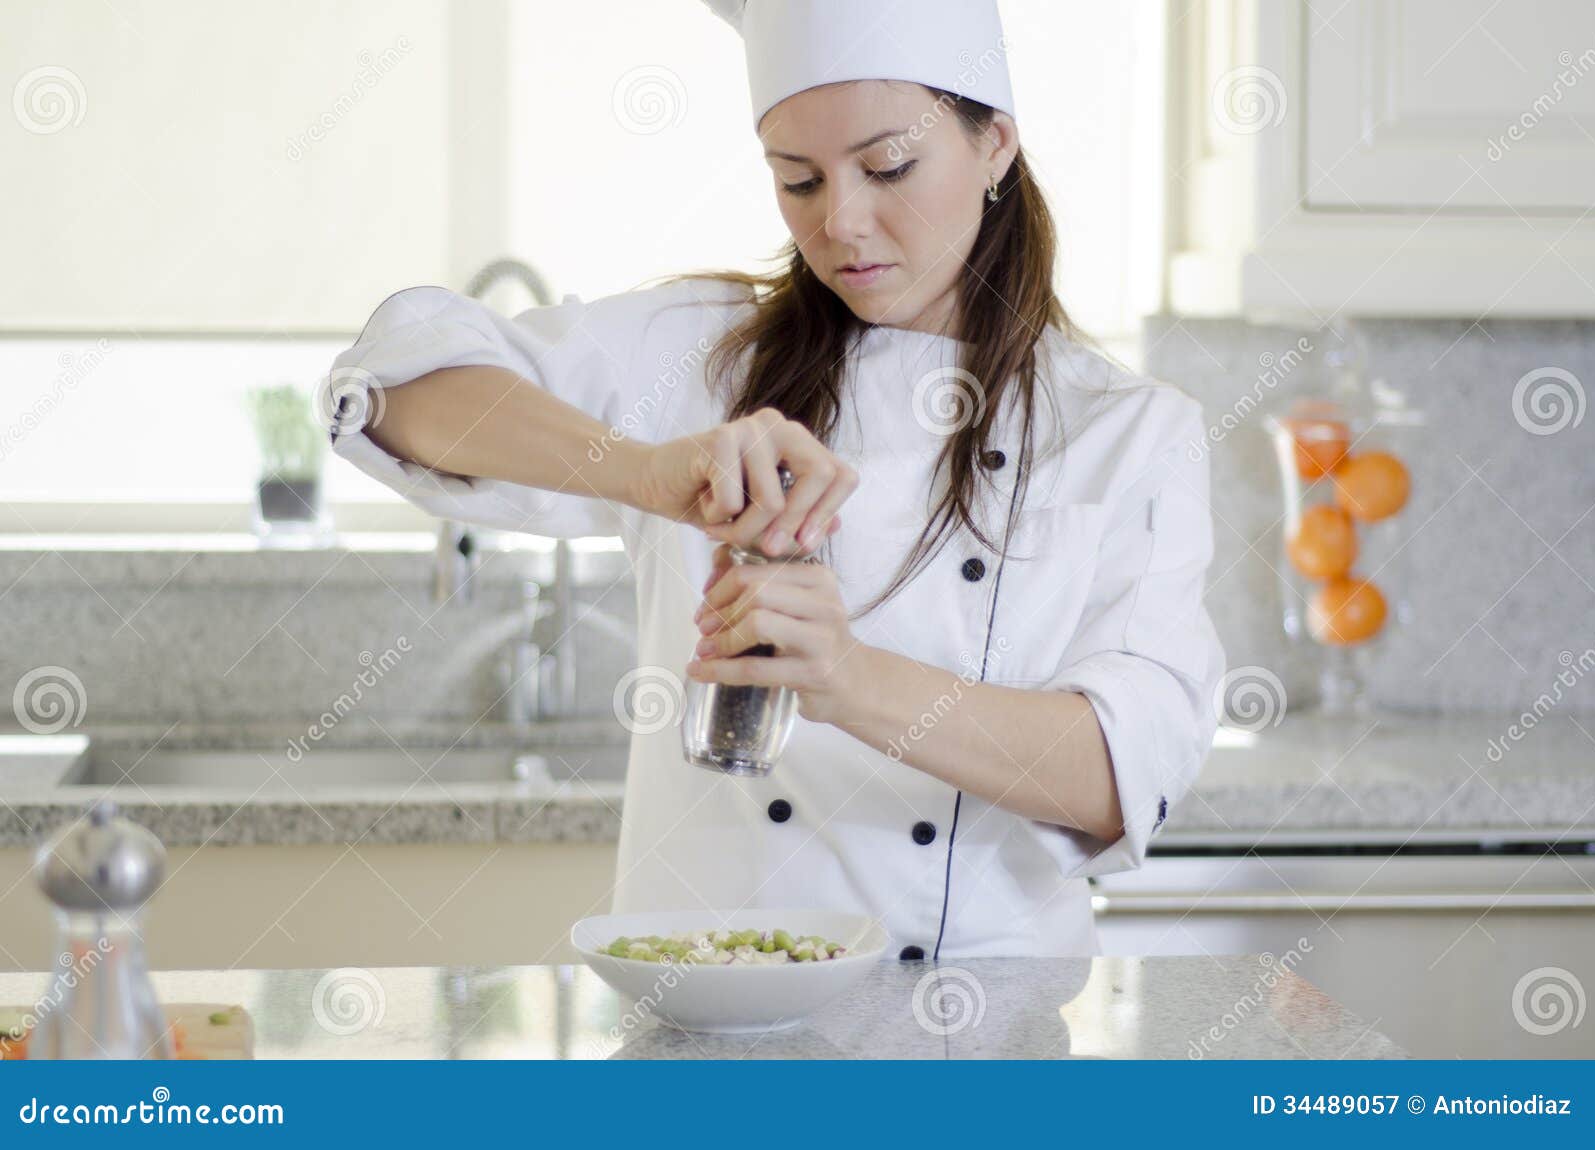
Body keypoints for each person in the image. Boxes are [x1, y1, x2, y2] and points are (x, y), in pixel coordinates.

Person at [323, 0, 1225, 958]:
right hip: (705, 1006)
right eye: (798, 179)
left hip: (983, 1017)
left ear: (995, 144)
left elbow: (1120, 772)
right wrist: (639, 471)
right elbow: (394, 391)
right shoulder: (699, 354)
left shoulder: (1127, 432)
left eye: (889, 167)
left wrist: (846, 677)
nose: (840, 223)